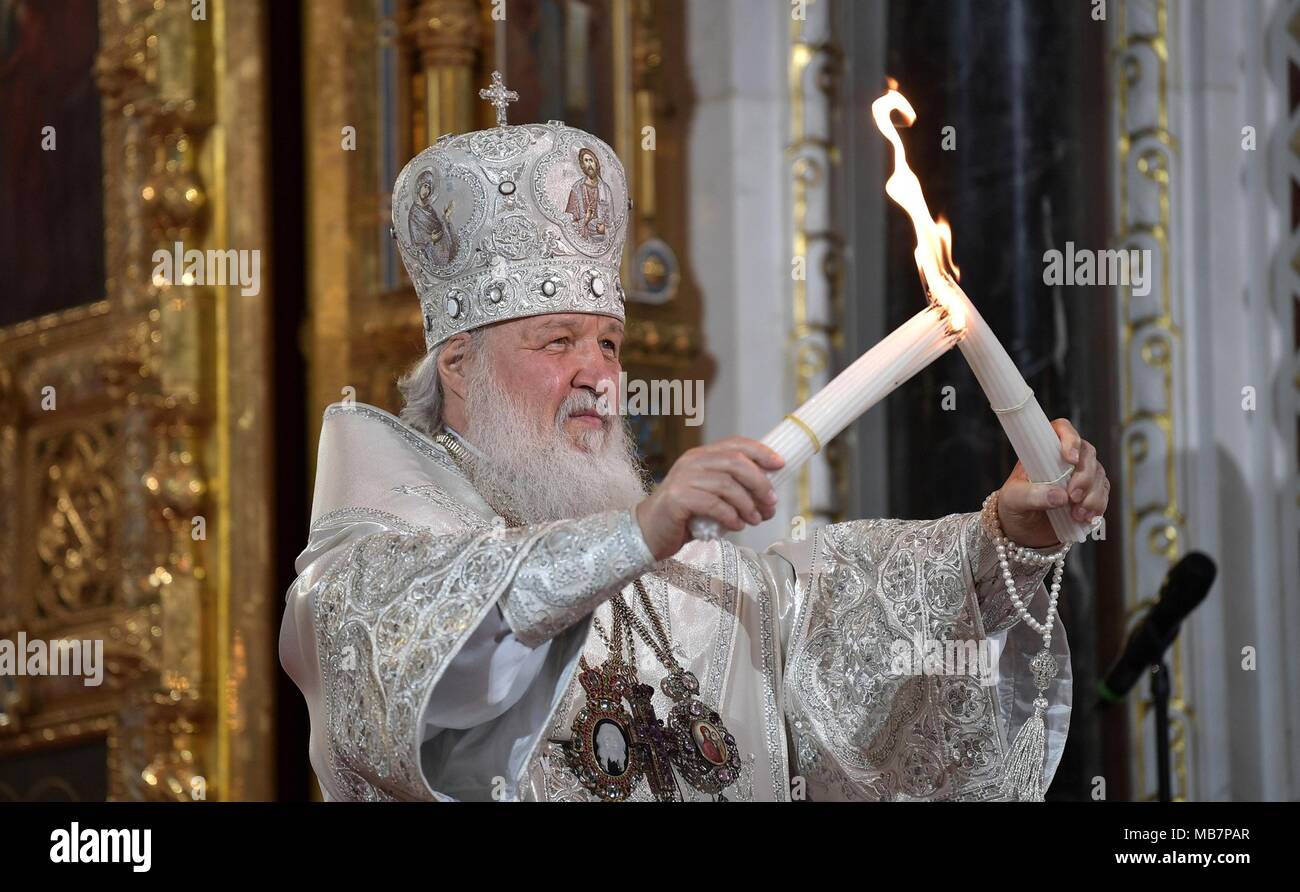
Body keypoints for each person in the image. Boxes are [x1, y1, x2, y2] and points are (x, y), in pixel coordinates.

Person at [279, 74, 1109, 802]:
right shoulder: (376, 552)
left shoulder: (686, 573)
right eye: (558, 340)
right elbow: (410, 657)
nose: (598, 372)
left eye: (608, 342)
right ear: (460, 366)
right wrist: (642, 531)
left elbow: (841, 635)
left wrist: (1008, 541)